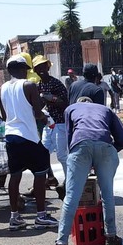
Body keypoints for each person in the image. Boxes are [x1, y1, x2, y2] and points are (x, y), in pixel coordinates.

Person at [50, 100, 123, 245]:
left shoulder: (70, 108)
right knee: (107, 195)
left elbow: (70, 137)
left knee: (71, 197)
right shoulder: (105, 109)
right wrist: (106, 151)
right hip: (105, 147)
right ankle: (111, 237)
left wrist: (85, 159)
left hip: (80, 147)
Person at [0, 55, 58, 231]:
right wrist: (45, 117)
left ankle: (14, 217)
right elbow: (38, 112)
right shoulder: (29, 85)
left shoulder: (2, 88)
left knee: (14, 176)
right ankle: (40, 216)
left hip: (10, 136)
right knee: (40, 174)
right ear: (24, 69)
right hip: (29, 136)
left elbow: (3, 116)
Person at [32, 55, 69, 193]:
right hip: (48, 123)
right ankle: (46, 181)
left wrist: (50, 98)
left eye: (43, 66)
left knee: (62, 155)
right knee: (43, 153)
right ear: (35, 70)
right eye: (38, 67)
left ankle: (69, 182)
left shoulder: (56, 83)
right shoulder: (39, 85)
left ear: (48, 67)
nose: (41, 69)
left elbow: (65, 103)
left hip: (60, 123)